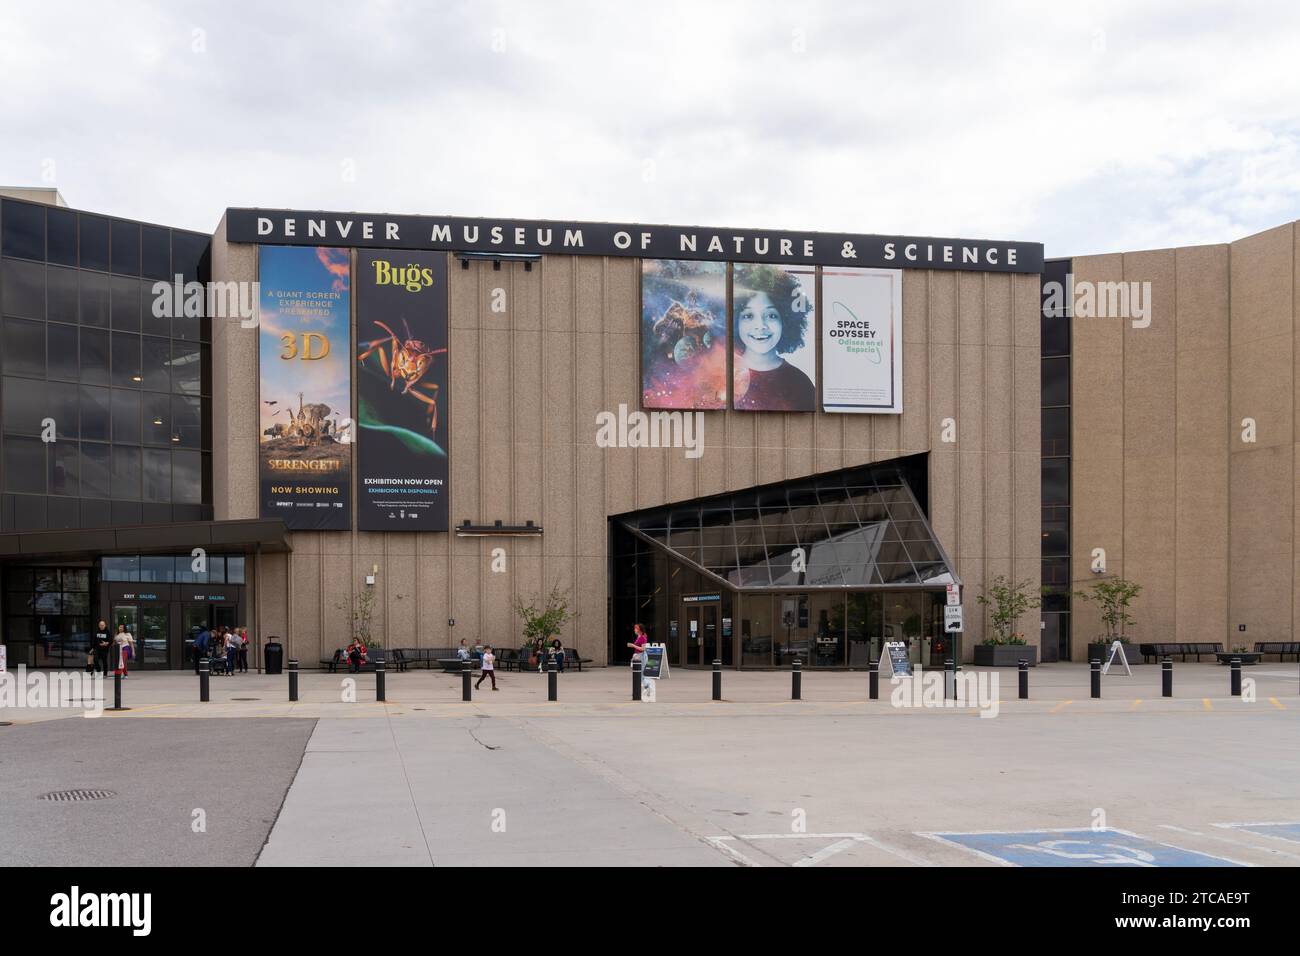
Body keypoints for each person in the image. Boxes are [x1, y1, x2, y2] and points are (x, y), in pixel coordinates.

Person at [732, 264, 815, 411]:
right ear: (734, 321)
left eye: (771, 315)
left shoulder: (801, 384)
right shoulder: (719, 374)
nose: (760, 325)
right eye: (748, 315)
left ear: (786, 321)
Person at [626, 623, 650, 694]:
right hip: (638, 656)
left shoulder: (642, 637)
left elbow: (643, 649)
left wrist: (633, 645)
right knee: (638, 673)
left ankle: (647, 687)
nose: (634, 630)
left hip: (641, 656)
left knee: (640, 674)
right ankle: (640, 689)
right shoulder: (639, 636)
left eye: (635, 628)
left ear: (639, 630)